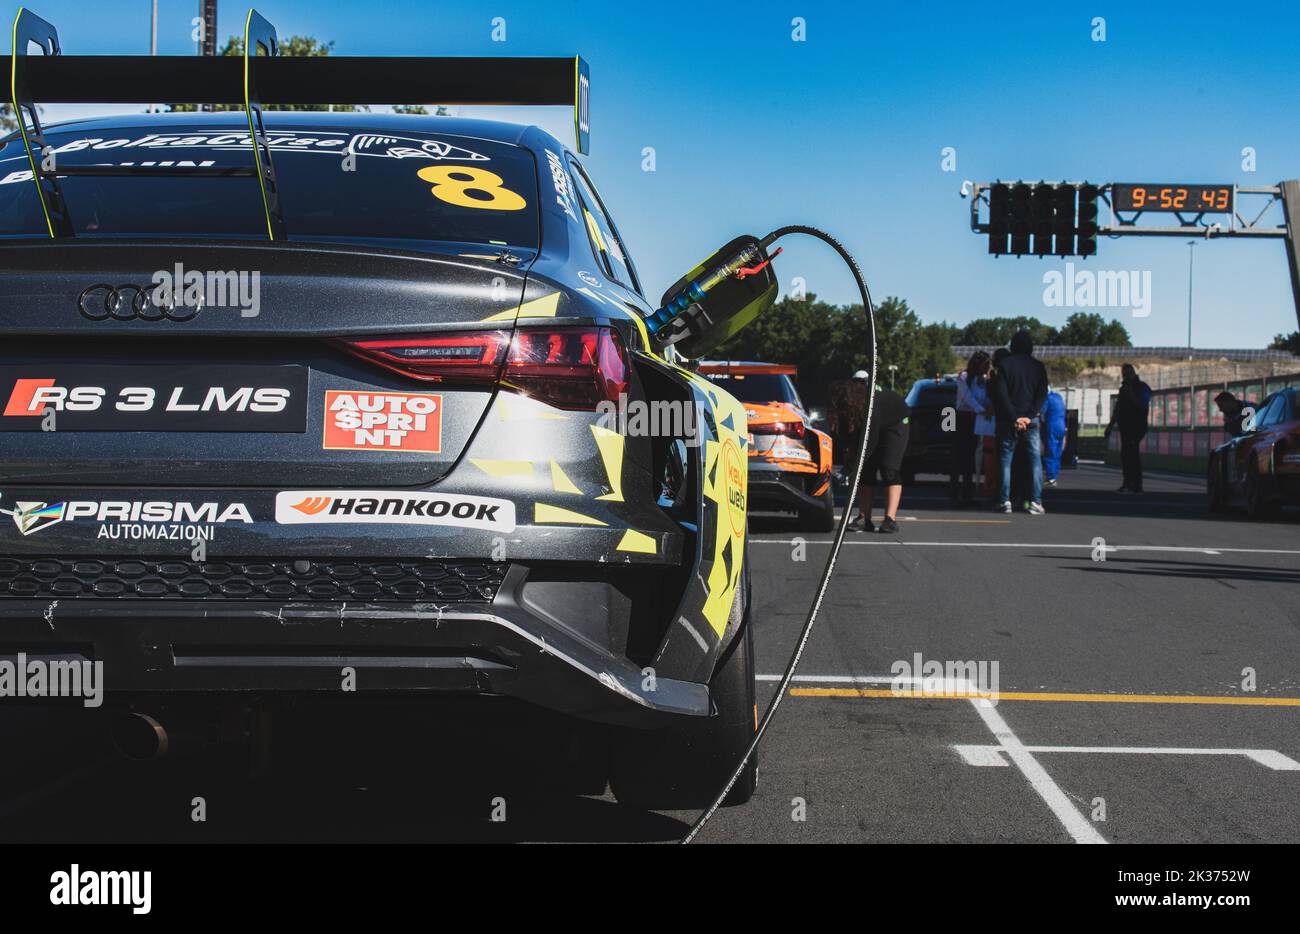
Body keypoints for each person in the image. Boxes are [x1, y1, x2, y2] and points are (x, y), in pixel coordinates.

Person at [989, 330, 1048, 514]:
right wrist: (1029, 416)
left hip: (1009, 420)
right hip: (1031, 421)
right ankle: (1035, 501)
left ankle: (1004, 500)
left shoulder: (1005, 366)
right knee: (1034, 461)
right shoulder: (1038, 367)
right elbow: (1042, 394)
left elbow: (1002, 395)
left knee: (1005, 461)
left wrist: (1014, 417)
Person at [846, 370, 911, 534]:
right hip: (877, 425)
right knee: (866, 470)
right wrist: (850, 461)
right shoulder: (854, 400)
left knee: (889, 468)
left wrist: (854, 466)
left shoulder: (874, 401)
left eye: (861, 385)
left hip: (896, 424)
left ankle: (890, 519)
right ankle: (863, 517)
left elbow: (871, 440)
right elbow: (855, 434)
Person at [951, 350, 992, 506]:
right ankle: (954, 491)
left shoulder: (982, 380)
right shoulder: (963, 377)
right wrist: (980, 409)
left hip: (976, 418)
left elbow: (985, 397)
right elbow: (968, 398)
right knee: (958, 456)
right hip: (962, 417)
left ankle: (968, 492)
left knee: (971, 457)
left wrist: (988, 407)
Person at [1105, 363, 1152, 494]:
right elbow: (1118, 409)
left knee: (1133, 454)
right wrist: (1110, 425)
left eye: (1127, 374)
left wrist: (1130, 392)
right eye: (1123, 374)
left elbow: (1141, 405)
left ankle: (1136, 485)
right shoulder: (1122, 389)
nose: (1125, 377)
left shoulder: (1142, 388)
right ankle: (1127, 483)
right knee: (1125, 454)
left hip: (1137, 426)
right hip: (1125, 427)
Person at [1040, 386, 1067, 488]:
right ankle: (1054, 476)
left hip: (1051, 426)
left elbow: (1041, 412)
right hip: (1061, 425)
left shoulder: (1047, 399)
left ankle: (1050, 478)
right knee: (1057, 453)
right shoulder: (1058, 397)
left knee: (1050, 452)